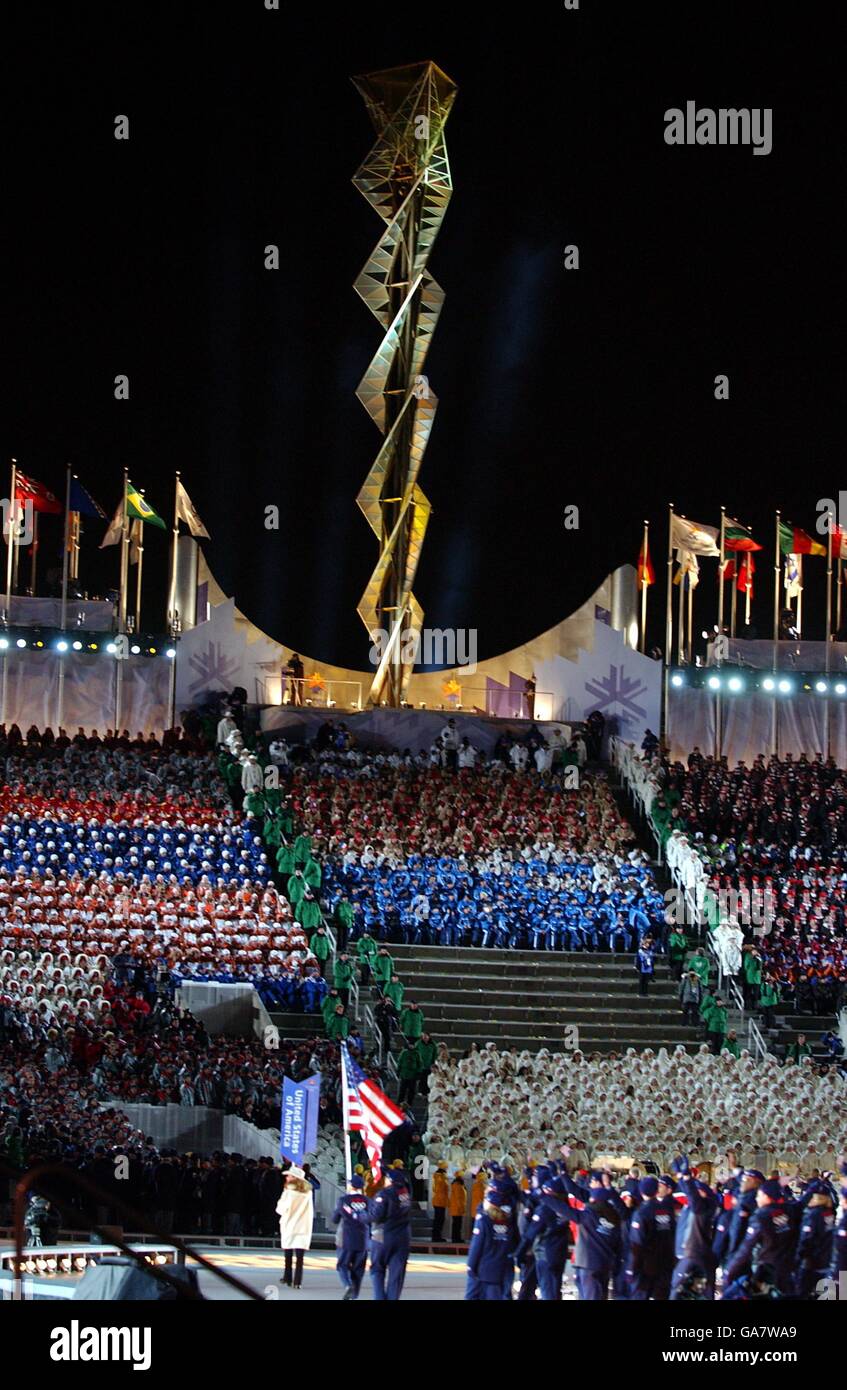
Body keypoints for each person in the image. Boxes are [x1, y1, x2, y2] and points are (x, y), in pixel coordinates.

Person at [465, 1178, 518, 1300]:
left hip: (484, 1270)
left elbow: (476, 1246)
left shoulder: (484, 1221)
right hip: (502, 1269)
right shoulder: (509, 1221)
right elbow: (514, 1244)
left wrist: (471, 1266)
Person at [626, 1175, 676, 1300]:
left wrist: (631, 1269)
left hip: (645, 1268)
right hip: (665, 1265)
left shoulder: (641, 1213)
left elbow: (636, 1244)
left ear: (641, 1191)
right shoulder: (667, 1211)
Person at [369, 1167, 413, 1300]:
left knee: (377, 1269)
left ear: (390, 1180)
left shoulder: (385, 1194)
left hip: (383, 1235)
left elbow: (376, 1216)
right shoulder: (405, 1193)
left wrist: (360, 1216)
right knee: (396, 1275)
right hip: (402, 1236)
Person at [331, 1174, 371, 1301]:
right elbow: (371, 1219)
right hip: (363, 1239)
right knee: (358, 1269)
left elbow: (335, 1219)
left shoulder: (344, 1200)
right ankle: (355, 1296)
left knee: (343, 1265)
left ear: (351, 1186)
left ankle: (348, 1285)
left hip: (347, 1238)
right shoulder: (367, 1201)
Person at [276, 1163, 314, 1290]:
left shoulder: (289, 1191)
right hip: (303, 1226)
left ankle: (287, 1277)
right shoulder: (308, 1192)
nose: (287, 1178)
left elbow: (281, 1208)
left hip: (290, 1224)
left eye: (289, 1176)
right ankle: (298, 1281)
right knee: (300, 1256)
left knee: (288, 1252)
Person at [431, 1160, 449, 1241]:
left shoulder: (441, 1176)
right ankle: (436, 1237)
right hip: (439, 1201)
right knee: (438, 1219)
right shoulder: (439, 1176)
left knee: (440, 1219)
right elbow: (439, 1189)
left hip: (440, 1201)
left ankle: (437, 1236)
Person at [449, 1171, 467, 1242]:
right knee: (457, 1224)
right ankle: (456, 1238)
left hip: (456, 1208)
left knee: (456, 1224)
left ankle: (455, 1238)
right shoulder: (458, 1185)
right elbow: (458, 1198)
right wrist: (461, 1208)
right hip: (457, 1208)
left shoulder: (457, 1185)